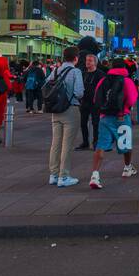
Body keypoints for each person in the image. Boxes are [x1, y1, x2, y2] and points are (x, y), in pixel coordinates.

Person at [90, 60, 138, 189]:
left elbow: (96, 99)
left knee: (101, 145)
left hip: (105, 117)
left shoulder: (103, 80)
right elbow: (133, 99)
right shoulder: (127, 81)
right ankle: (127, 168)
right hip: (122, 117)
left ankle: (95, 175)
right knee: (125, 144)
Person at [44, 47, 85, 188]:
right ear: (76, 58)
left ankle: (53, 175)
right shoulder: (75, 71)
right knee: (67, 145)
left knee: (55, 144)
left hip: (56, 110)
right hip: (70, 110)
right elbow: (79, 92)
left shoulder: (56, 70)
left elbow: (46, 86)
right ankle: (64, 176)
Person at [78, 53, 104, 150]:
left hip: (95, 103)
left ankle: (96, 142)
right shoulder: (83, 73)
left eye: (90, 60)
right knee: (83, 123)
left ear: (95, 63)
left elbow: (103, 89)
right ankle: (85, 143)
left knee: (95, 123)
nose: (87, 62)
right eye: (86, 60)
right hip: (84, 102)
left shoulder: (100, 74)